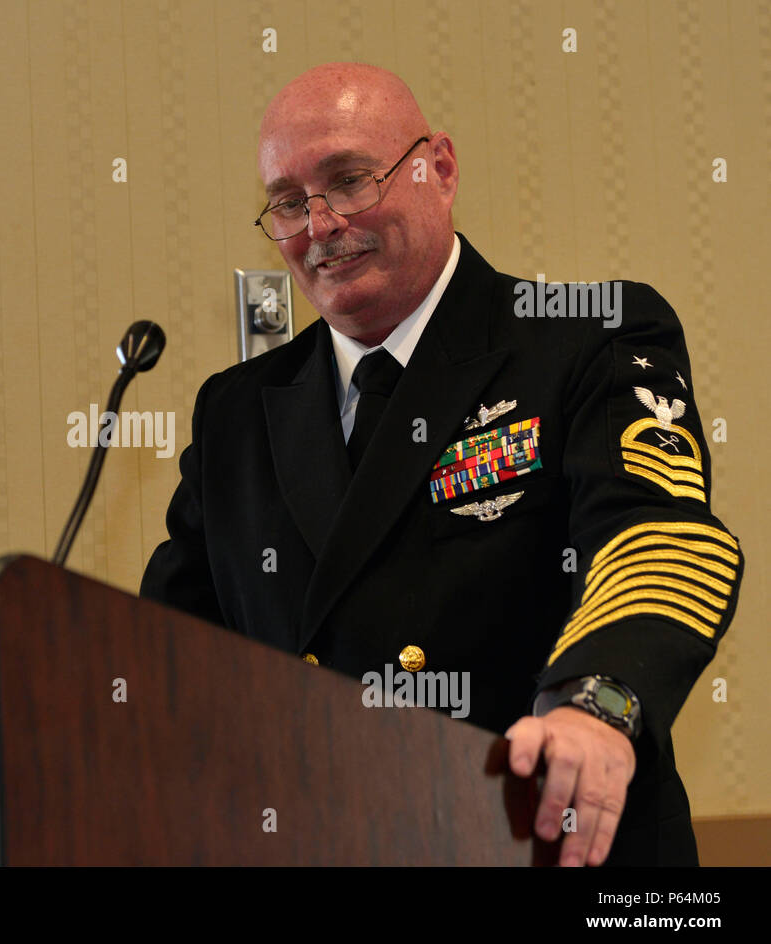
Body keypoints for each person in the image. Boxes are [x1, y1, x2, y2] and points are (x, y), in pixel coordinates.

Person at [139, 63, 743, 867]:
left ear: (441, 169)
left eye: (350, 181)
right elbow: (171, 653)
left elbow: (660, 539)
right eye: (287, 202)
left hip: (543, 846)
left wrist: (593, 706)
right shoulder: (237, 413)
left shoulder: (587, 338)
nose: (319, 226)